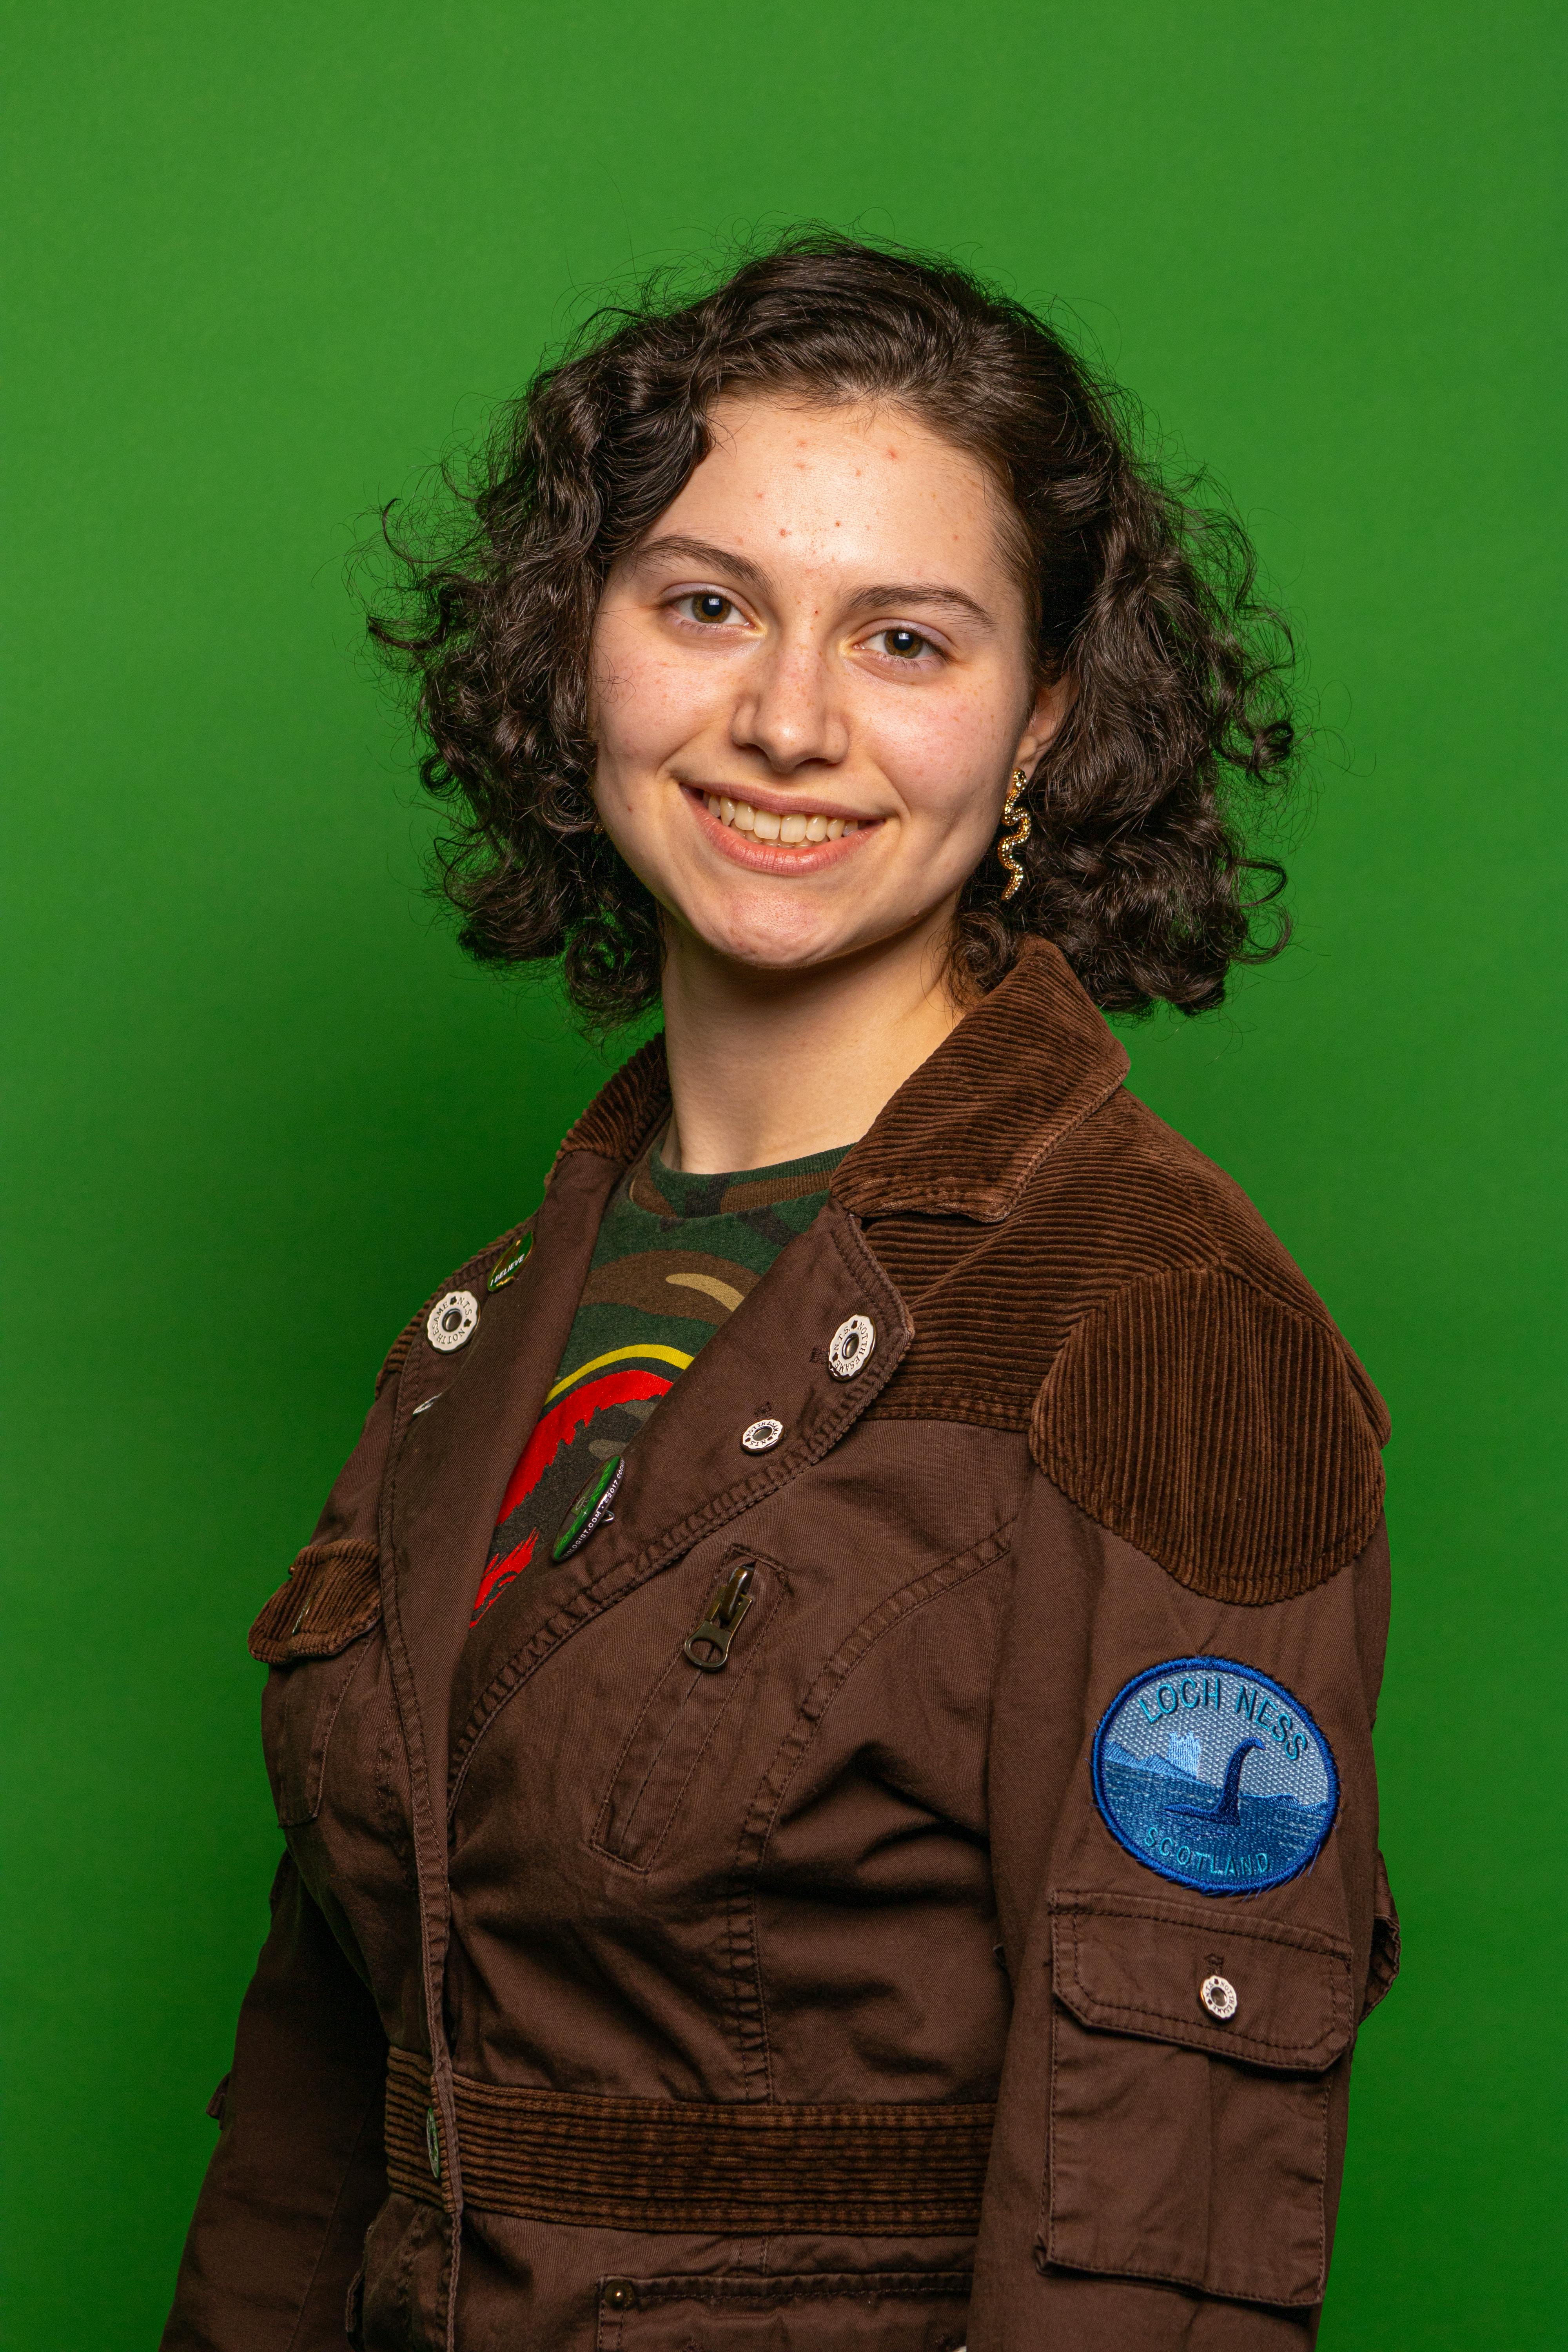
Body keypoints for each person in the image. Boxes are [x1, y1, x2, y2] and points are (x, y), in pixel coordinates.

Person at [163, 235, 1399, 2352]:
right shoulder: (487, 1328)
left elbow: (1156, 2225)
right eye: (708, 605)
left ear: (1042, 724)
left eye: (906, 639)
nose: (790, 722)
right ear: (578, 648)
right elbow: (326, 2104)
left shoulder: (1162, 1327)